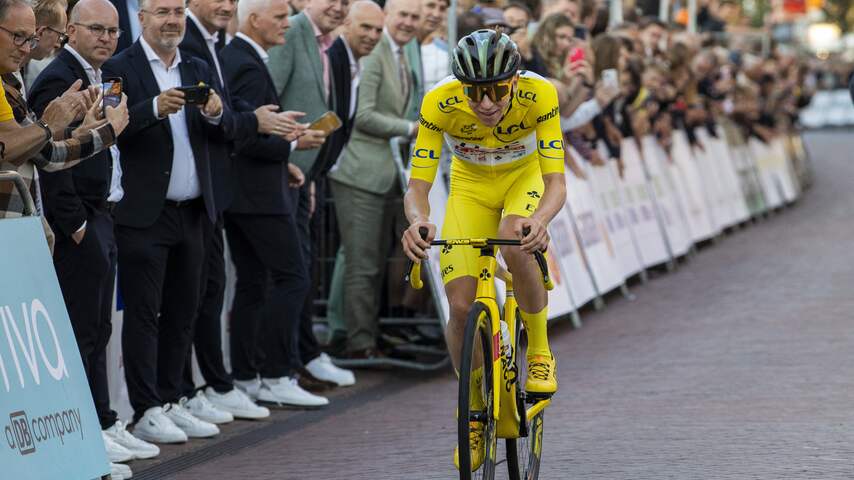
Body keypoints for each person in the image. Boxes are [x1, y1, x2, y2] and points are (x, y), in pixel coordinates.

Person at [400, 30, 565, 470]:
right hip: (470, 189)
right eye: (475, 93)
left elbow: (556, 183)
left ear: (515, 80)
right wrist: (418, 222)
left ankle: (542, 352)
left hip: (523, 179)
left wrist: (541, 221)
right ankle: (473, 413)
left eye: (496, 90)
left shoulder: (540, 93)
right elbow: (417, 186)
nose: (487, 103)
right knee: (459, 307)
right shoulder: (439, 102)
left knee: (516, 235)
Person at [26, 0, 161, 472]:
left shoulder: (100, 75)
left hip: (103, 211)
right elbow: (49, 158)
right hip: (80, 221)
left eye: (114, 31)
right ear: (71, 30)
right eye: (97, 29)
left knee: (100, 329)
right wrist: (75, 225)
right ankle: (87, 430)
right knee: (84, 331)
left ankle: (102, 422)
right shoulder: (61, 78)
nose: (107, 38)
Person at [101, 0, 230, 443]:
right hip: (143, 213)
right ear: (142, 18)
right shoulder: (119, 65)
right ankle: (146, 406)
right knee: (142, 314)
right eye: (162, 11)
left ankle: (172, 397)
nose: (172, 20)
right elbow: (107, 127)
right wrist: (152, 108)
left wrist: (213, 110)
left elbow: (224, 126)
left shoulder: (196, 63)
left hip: (194, 211)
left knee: (183, 310)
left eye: (178, 10)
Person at [179, 0, 297, 423]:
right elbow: (236, 128)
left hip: (220, 191)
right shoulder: (229, 53)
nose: (225, 5)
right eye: (280, 17)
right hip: (234, 192)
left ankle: (224, 381)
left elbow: (228, 120)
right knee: (283, 277)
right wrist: (284, 139)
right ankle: (262, 373)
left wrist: (283, 143)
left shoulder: (220, 45)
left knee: (226, 287)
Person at [220, 0, 332, 408]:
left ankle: (249, 377)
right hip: (258, 196)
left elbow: (249, 131)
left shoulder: (240, 57)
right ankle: (275, 372)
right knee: (292, 278)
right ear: (254, 19)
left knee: (253, 282)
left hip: (250, 191)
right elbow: (247, 135)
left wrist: (285, 155)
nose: (289, 23)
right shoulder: (246, 62)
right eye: (281, 17)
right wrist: (292, 143)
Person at [328, 0, 422, 359]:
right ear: (389, 14)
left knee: (372, 262)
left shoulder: (399, 53)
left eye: (415, 17)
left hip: (384, 174)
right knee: (361, 264)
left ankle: (367, 334)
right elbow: (362, 115)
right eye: (403, 15)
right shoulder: (376, 53)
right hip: (359, 173)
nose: (409, 23)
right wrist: (409, 128)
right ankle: (358, 342)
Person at [0, 0, 127, 252]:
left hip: (21, 224)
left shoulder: (9, 83)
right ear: (71, 30)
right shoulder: (57, 76)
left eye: (30, 39)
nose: (25, 49)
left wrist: (82, 132)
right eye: (18, 37)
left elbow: (40, 150)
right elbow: (11, 149)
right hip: (24, 225)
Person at [266, 0, 346, 394]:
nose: (339, 7)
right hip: (283, 169)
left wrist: (308, 174)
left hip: (303, 175)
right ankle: (285, 368)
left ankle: (300, 359)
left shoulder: (328, 43)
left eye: (346, 2)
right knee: (291, 273)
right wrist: (285, 158)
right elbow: (270, 98)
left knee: (302, 269)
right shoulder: (294, 31)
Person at [312, 0, 384, 358]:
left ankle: (334, 344)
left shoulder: (356, 61)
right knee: (356, 262)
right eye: (365, 28)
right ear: (346, 26)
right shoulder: (335, 56)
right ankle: (353, 342)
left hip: (326, 168)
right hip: (323, 169)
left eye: (377, 30)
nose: (372, 36)